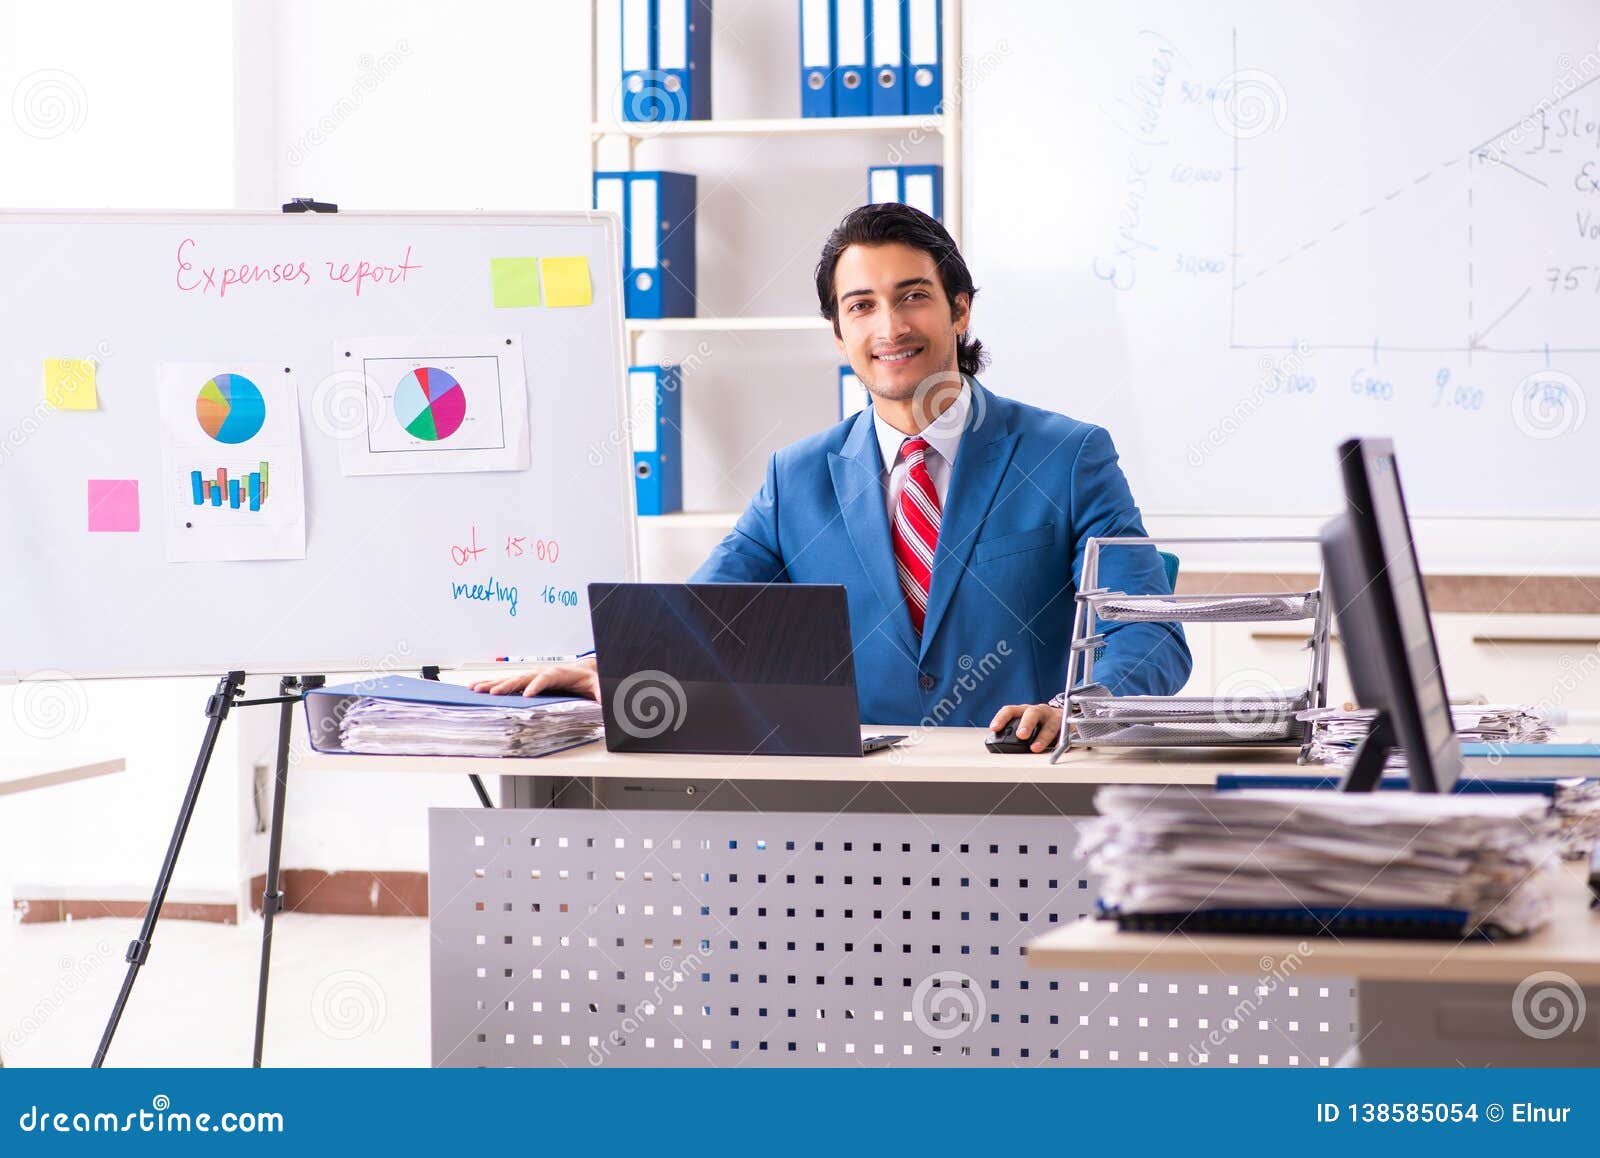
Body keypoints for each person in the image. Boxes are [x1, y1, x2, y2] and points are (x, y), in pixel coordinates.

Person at [475, 202, 1190, 752]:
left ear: (960, 309)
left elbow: (1153, 637)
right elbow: (703, 616)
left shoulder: (1068, 456)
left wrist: (1079, 708)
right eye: (862, 306)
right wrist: (608, 663)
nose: (890, 327)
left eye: (913, 296)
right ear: (839, 332)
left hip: (1027, 791)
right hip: (851, 809)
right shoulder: (797, 479)